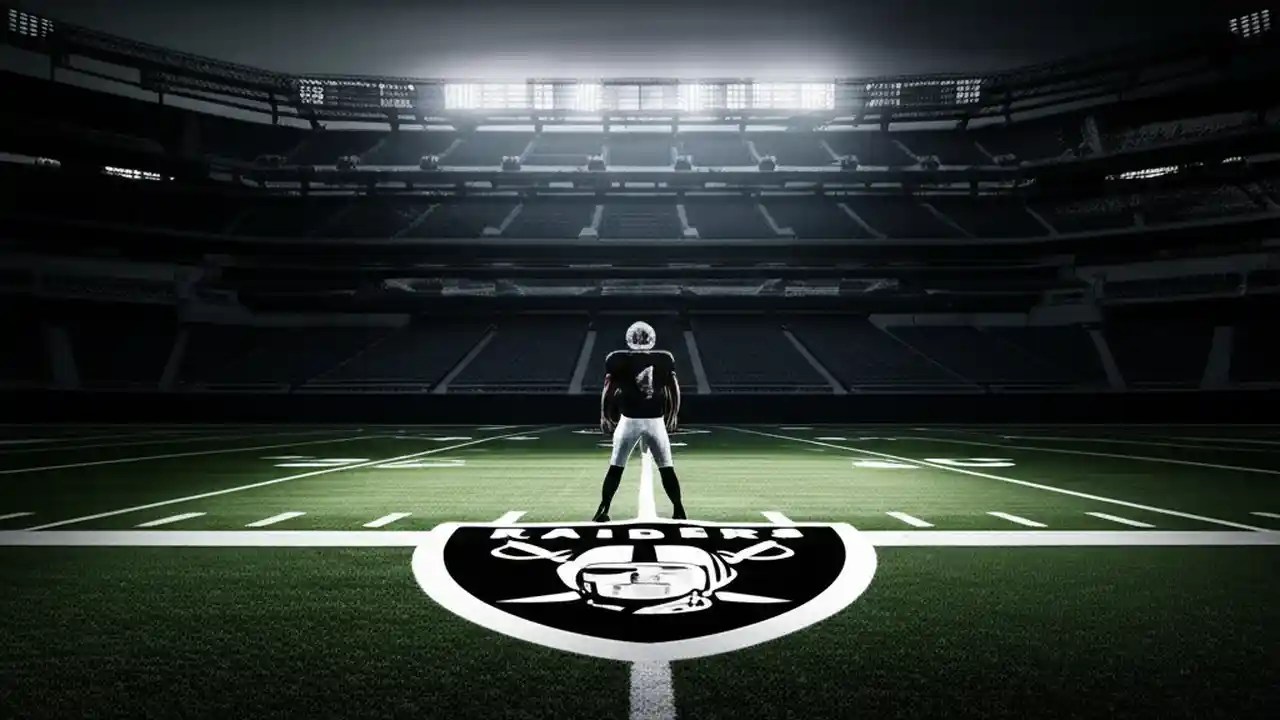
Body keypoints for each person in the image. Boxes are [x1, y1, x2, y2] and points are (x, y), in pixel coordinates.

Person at [594, 320, 685, 522]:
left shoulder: (617, 358)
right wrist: (674, 413)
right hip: (655, 421)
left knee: (616, 466)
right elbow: (674, 389)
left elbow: (608, 389)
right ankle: (679, 510)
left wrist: (604, 414)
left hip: (630, 421)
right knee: (666, 466)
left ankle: (603, 509)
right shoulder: (664, 358)